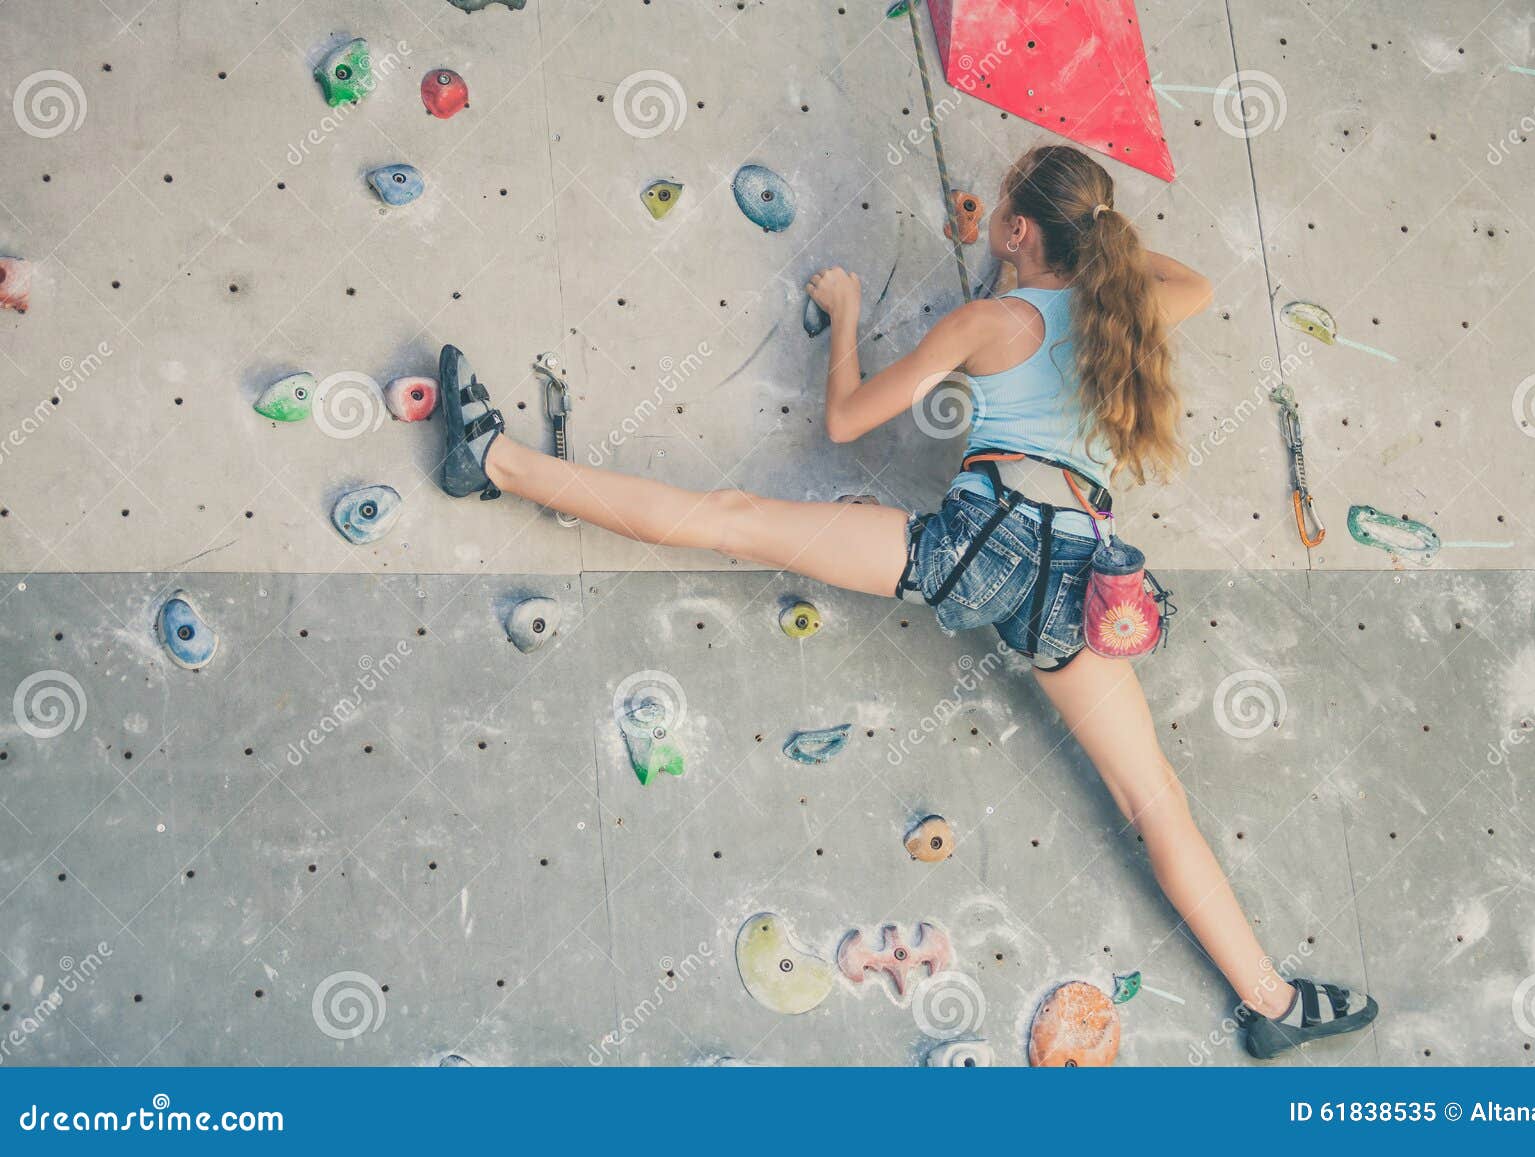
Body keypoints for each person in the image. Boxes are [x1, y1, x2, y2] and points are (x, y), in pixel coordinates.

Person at [435, 144, 1377, 1060]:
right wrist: (1095, 257)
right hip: (1080, 580)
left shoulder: (992, 324)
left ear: (1015, 230)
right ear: (1100, 240)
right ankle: (1272, 1002)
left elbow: (846, 418)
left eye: (1005, 211)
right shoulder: (1125, 312)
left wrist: (846, 310)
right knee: (1154, 798)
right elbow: (1194, 283)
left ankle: (496, 463)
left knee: (730, 519)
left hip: (982, 543)